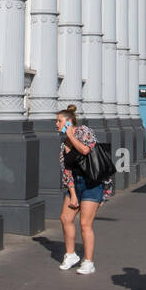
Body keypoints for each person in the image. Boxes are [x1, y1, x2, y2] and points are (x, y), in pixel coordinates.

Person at [57, 105, 104, 275]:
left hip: (92, 183)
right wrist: (74, 195)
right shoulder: (63, 145)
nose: (56, 124)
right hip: (75, 185)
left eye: (59, 121)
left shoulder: (85, 131)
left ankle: (89, 262)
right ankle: (71, 255)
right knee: (65, 218)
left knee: (85, 223)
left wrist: (71, 135)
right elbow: (66, 171)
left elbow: (86, 149)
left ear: (69, 122)